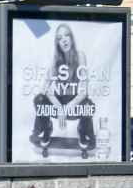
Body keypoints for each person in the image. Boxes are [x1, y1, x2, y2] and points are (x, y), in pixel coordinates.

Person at [29, 22, 96, 158]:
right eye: (60, 38)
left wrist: (66, 108)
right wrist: (60, 108)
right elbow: (46, 89)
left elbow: (84, 91)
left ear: (71, 38)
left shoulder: (80, 55)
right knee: (40, 99)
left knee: (88, 105)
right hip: (58, 104)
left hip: (75, 104)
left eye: (66, 36)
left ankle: (82, 131)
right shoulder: (56, 60)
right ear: (57, 42)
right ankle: (47, 127)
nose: (64, 40)